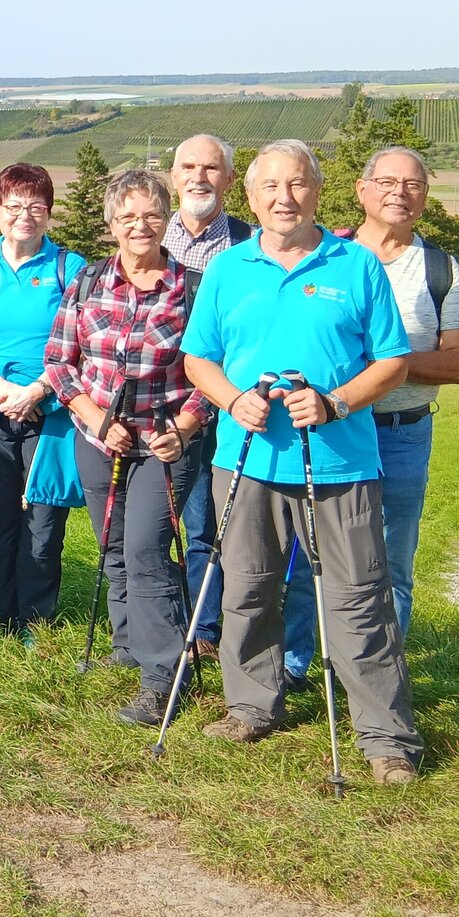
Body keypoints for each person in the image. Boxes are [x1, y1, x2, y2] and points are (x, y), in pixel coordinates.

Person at [181, 139, 423, 784]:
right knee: (248, 588)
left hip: (338, 463)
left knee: (358, 598)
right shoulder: (229, 269)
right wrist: (232, 401)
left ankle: (385, 737)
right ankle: (252, 706)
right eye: (269, 187)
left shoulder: (356, 266)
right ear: (250, 196)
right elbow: (197, 357)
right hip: (248, 458)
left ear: (318, 191)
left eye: (297, 185)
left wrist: (337, 402)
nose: (283, 199)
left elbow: (393, 360)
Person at [281, 146, 459, 684]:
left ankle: (378, 673)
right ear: (362, 191)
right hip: (330, 430)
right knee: (305, 554)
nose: (399, 192)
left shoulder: (439, 268)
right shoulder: (325, 254)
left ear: (425, 197)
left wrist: (384, 367)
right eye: (387, 181)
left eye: (413, 184)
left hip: (400, 433)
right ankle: (296, 665)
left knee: (389, 562)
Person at [42, 170, 209, 724]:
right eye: (128, 217)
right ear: (111, 225)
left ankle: (163, 676)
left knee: (144, 552)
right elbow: (60, 363)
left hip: (165, 444)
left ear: (167, 219)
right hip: (98, 438)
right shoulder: (88, 283)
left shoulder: (195, 287)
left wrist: (185, 427)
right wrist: (91, 415)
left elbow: (217, 372)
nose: (141, 226)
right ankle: (129, 643)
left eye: (152, 215)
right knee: (113, 548)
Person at [0, 164, 88, 636]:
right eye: (14, 206)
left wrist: (38, 389)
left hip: (52, 412)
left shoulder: (70, 267)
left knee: (44, 519)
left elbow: (83, 343)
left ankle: (36, 615)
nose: (24, 216)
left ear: (48, 213)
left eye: (36, 207)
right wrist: (1, 390)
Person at [163, 135, 253, 664]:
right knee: (158, 520)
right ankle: (162, 617)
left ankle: (206, 627)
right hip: (162, 406)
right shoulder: (150, 238)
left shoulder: (250, 244)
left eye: (211, 168)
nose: (199, 176)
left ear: (228, 178)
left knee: (212, 524)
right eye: (189, 166)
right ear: (172, 175)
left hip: (232, 407)